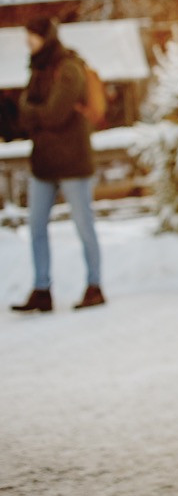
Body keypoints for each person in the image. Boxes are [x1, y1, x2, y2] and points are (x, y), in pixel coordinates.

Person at [11, 16, 104, 312]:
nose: (29, 44)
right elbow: (22, 113)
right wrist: (34, 112)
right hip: (44, 162)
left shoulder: (69, 67)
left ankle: (94, 286)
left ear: (45, 37)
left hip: (73, 162)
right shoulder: (37, 67)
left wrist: (33, 112)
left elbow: (54, 113)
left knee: (83, 226)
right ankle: (42, 290)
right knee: (36, 226)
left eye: (32, 38)